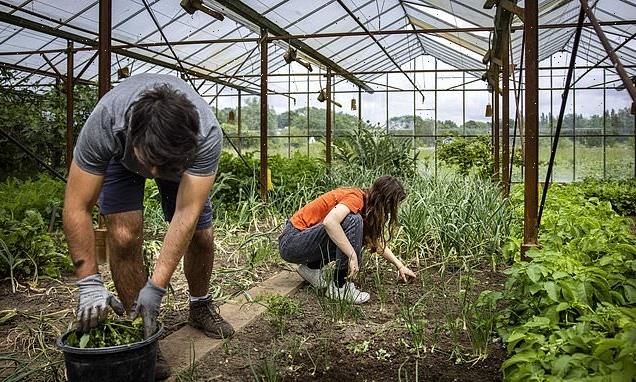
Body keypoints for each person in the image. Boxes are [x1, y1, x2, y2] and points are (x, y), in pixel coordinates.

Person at [63, 73, 234, 380]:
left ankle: (200, 305)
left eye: (161, 167)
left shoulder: (206, 135)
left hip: (179, 159)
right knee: (124, 235)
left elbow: (185, 213)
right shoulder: (106, 122)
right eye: (149, 163)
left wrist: (156, 287)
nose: (154, 174)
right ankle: (143, 330)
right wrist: (88, 282)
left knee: (201, 236)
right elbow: (77, 206)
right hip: (123, 155)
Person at [278, 175, 416, 303]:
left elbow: (374, 241)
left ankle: (312, 268)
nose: (392, 210)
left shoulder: (366, 206)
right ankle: (340, 286)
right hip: (292, 241)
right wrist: (351, 255)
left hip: (300, 243)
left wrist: (400, 265)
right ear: (384, 200)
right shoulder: (356, 198)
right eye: (393, 204)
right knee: (353, 221)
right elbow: (330, 222)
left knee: (359, 231)